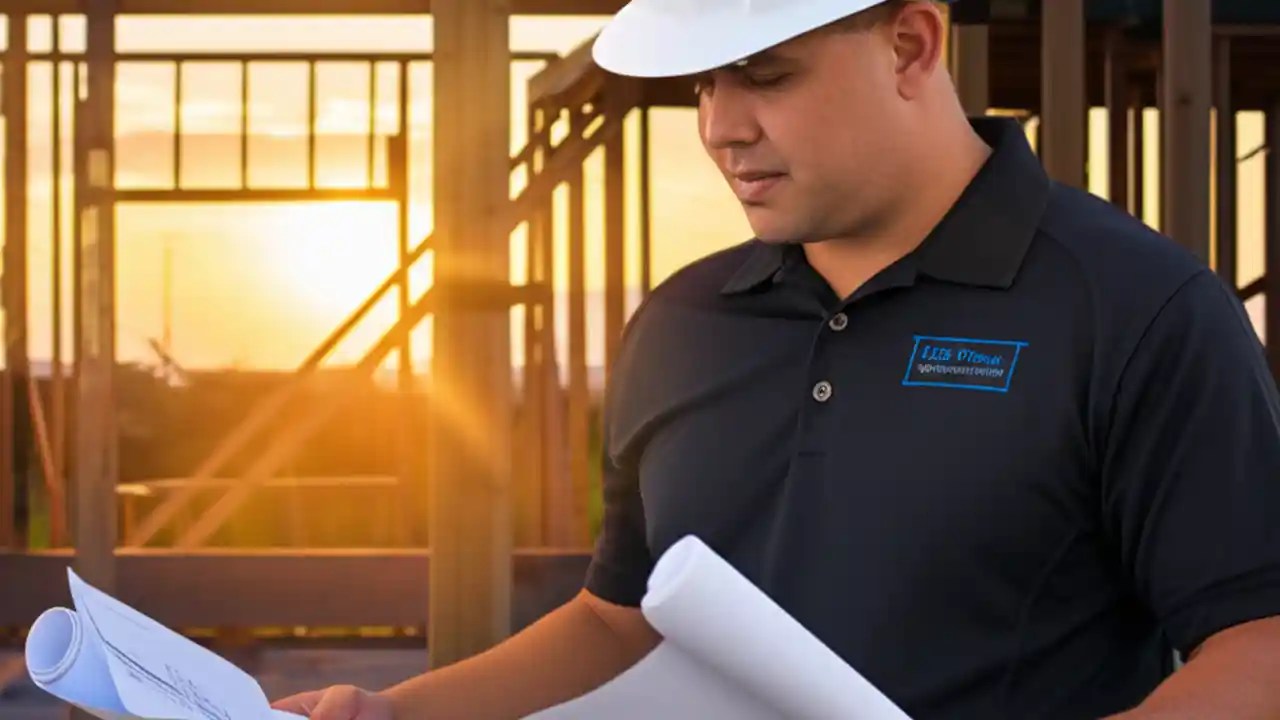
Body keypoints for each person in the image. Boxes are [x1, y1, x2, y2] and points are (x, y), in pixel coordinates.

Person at [272, 0, 1280, 717]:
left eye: (764, 75)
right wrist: (397, 712)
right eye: (704, 83)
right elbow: (619, 624)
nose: (720, 127)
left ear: (909, 46)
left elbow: (1259, 642)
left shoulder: (1135, 309)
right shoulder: (682, 319)